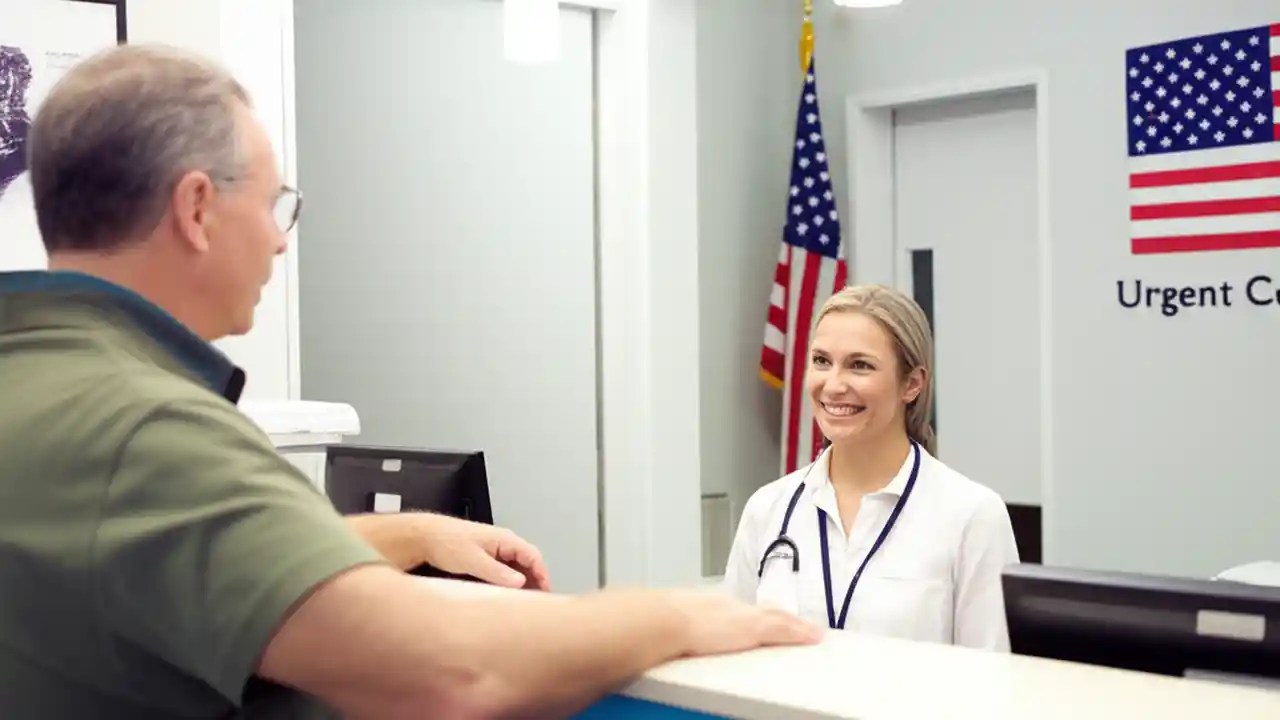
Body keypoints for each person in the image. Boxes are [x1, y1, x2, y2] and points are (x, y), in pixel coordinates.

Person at [0, 44, 820, 720]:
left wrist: (412, 536)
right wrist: (676, 613)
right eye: (277, 205)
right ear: (197, 208)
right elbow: (457, 676)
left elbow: (146, 562)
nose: (282, 244)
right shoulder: (148, 429)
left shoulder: (37, 386)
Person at [723, 284, 1020, 650]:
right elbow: (731, 655)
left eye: (859, 365)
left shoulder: (972, 515)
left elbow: (993, 682)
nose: (832, 385)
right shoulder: (768, 508)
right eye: (821, 361)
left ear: (911, 384)